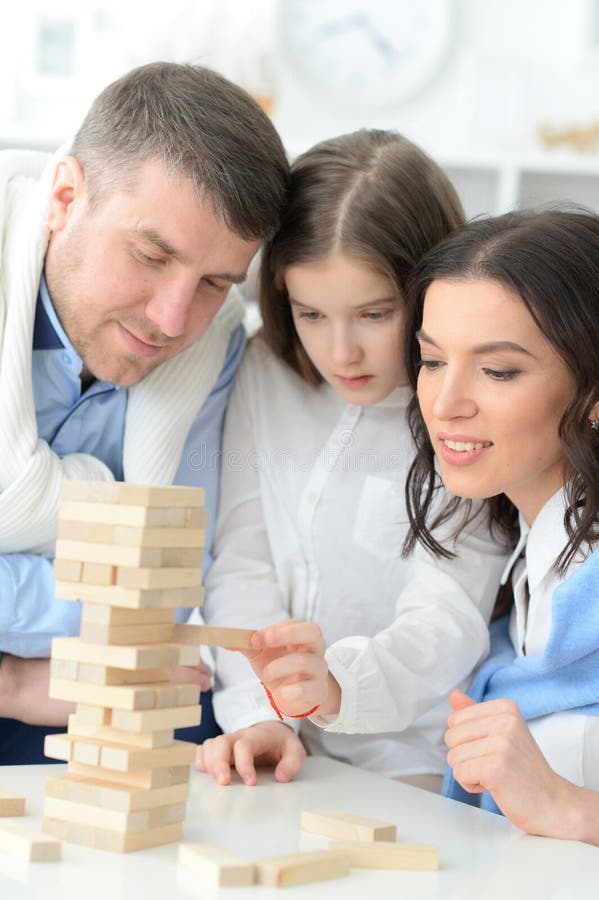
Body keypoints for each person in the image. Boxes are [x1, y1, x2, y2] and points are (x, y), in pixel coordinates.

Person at [195, 129, 509, 789]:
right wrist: (264, 711)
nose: (341, 353)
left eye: (373, 314)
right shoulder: (264, 371)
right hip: (273, 742)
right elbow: (242, 556)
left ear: (428, 289)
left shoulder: (461, 413)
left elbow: (449, 609)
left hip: (413, 757)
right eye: (311, 314)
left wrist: (339, 686)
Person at [0, 61, 289, 763]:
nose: (170, 320)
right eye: (150, 255)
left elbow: (170, 585)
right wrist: (14, 683)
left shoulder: (213, 346)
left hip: (96, 687)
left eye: (214, 283)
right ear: (65, 198)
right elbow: (135, 596)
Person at [403, 208, 599, 845]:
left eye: (498, 371)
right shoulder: (525, 559)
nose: (445, 403)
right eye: (433, 361)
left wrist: (571, 809)